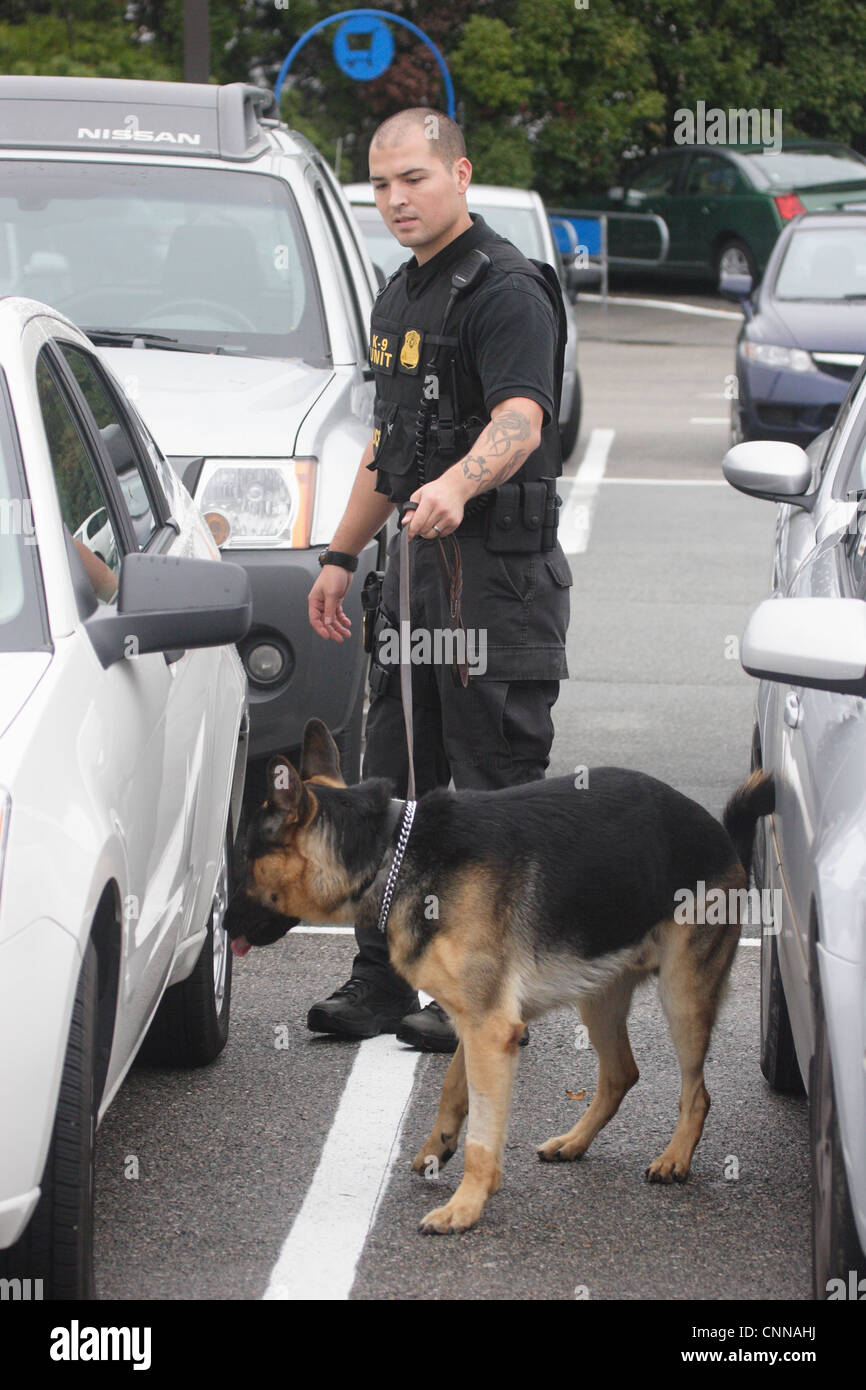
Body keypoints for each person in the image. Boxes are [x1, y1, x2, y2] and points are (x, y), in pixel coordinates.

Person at [305, 106, 572, 1051]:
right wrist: (340, 556)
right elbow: (390, 446)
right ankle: (382, 976)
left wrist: (460, 485)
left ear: (460, 175)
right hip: (413, 582)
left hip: (494, 585)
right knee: (392, 784)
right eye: (380, 184)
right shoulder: (400, 295)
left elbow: (521, 421)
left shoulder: (508, 291)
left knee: (496, 793)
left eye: (413, 178)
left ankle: (486, 995)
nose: (395, 199)